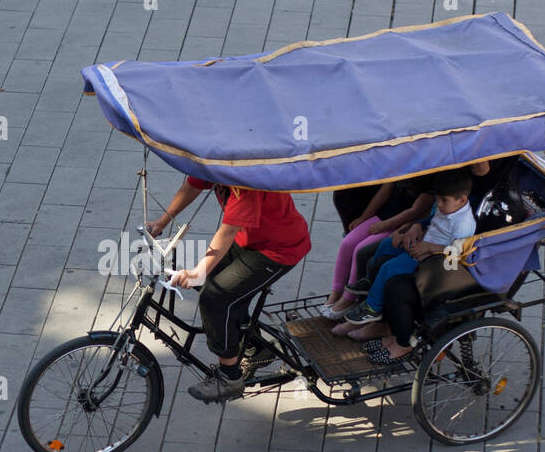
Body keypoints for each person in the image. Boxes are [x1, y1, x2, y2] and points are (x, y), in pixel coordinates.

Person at [147, 175, 311, 402]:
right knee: (218, 287)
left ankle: (229, 377)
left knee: (215, 299)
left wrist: (197, 272)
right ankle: (255, 347)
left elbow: (227, 231)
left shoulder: (245, 181)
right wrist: (162, 222)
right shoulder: (212, 164)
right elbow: (191, 185)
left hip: (278, 249)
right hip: (248, 240)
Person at [340, 167, 476, 332]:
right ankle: (370, 280)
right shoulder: (450, 207)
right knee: (386, 245)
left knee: (389, 268)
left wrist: (430, 248)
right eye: (437, 199)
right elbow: (432, 221)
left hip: (431, 261)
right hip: (422, 244)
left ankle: (372, 308)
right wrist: (416, 228)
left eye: (444, 201)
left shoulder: (464, 224)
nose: (439, 204)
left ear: (462, 200)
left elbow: (456, 255)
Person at [319, 174, 435, 319]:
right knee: (347, 243)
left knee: (360, 250)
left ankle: (348, 299)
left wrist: (385, 225)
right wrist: (364, 218)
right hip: (382, 217)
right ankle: (336, 291)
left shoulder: (430, 181)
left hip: (399, 226)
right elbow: (384, 192)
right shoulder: (401, 165)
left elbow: (416, 211)